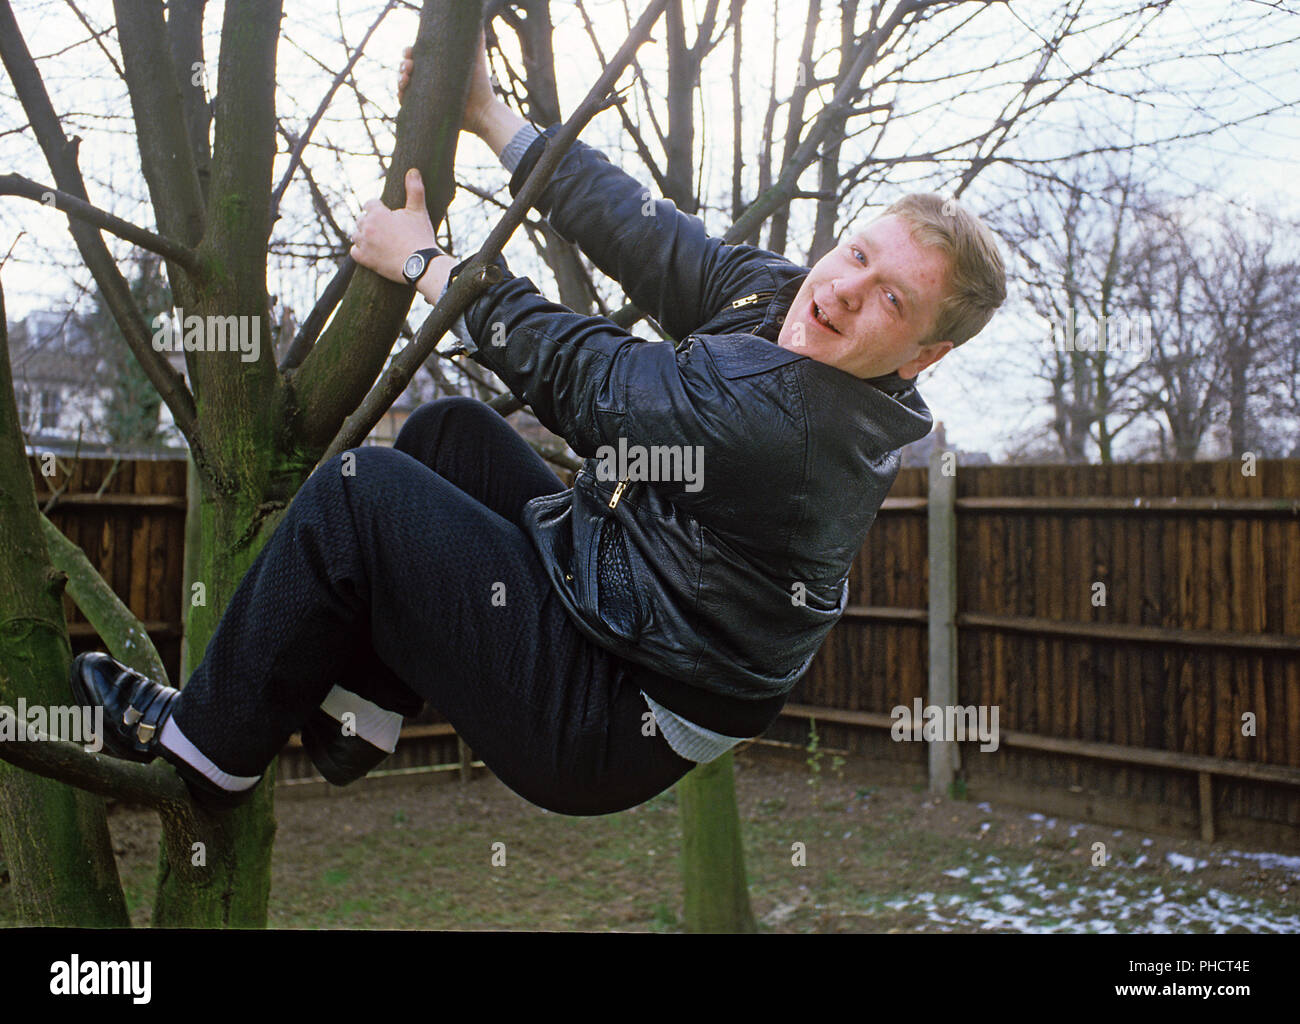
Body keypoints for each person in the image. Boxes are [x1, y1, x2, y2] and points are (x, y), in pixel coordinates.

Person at [70, 32, 1006, 816]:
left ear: (921, 356)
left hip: (614, 715)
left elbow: (591, 380)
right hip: (622, 605)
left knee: (368, 492)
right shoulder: (779, 298)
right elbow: (648, 235)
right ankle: (357, 717)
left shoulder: (793, 428)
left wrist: (429, 267)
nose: (841, 291)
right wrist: (492, 118)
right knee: (448, 437)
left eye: (890, 300)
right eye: (856, 253)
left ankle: (202, 751)